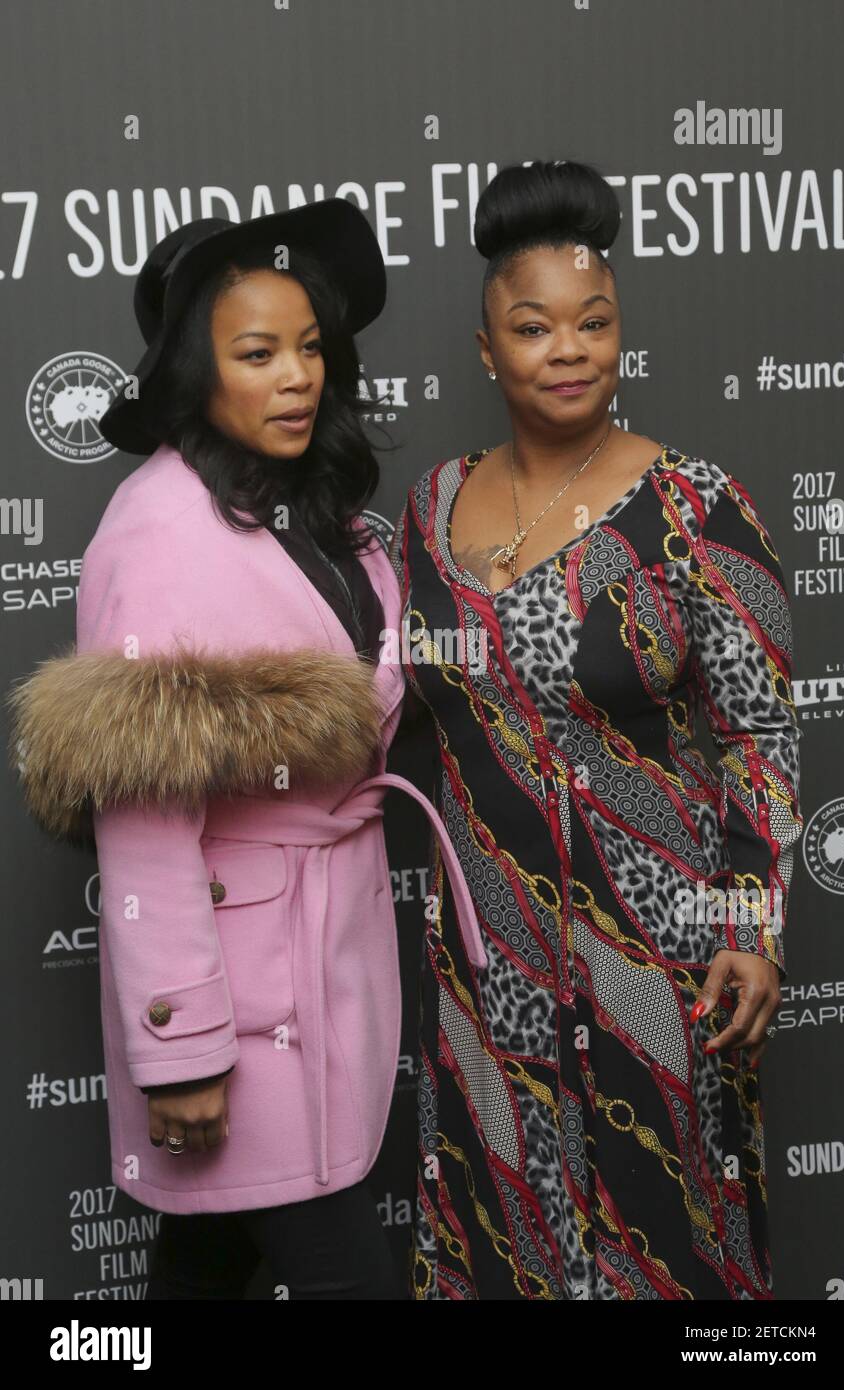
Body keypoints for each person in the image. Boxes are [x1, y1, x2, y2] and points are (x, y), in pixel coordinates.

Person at [7, 201, 486, 1300]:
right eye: (257, 353)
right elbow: (139, 819)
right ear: (196, 372)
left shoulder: (315, 510)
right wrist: (177, 1047)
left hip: (327, 961)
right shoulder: (157, 528)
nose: (296, 377)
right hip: (241, 995)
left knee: (207, 1263)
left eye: (310, 347)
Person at [388, 160, 803, 1300]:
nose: (565, 348)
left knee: (659, 1251)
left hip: (656, 966)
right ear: (486, 349)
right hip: (485, 966)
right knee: (503, 1235)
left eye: (592, 322)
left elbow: (755, 733)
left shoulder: (693, 505)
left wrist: (749, 926)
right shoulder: (426, 512)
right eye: (532, 326)